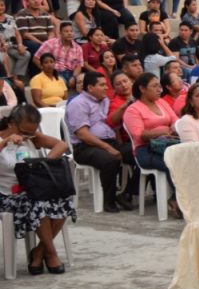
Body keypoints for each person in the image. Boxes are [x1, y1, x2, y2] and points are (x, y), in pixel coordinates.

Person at [0, 105, 75, 274]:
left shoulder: (31, 137)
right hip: (7, 194)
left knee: (64, 199)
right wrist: (6, 142)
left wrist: (44, 162)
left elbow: (62, 145)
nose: (27, 135)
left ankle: (39, 252)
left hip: (33, 188)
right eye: (24, 131)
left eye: (31, 132)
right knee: (39, 203)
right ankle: (51, 254)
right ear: (12, 124)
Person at [66, 71, 133, 212]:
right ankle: (109, 201)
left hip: (108, 141)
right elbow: (83, 135)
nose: (106, 88)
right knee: (110, 160)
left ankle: (127, 193)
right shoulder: (78, 104)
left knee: (137, 152)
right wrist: (108, 148)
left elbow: (111, 124)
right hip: (85, 147)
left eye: (106, 85)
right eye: (102, 85)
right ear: (90, 88)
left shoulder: (105, 100)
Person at [123, 72, 181, 217]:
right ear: (142, 89)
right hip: (145, 149)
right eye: (154, 86)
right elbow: (138, 134)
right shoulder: (133, 109)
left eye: (159, 86)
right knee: (172, 163)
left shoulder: (161, 102)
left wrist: (173, 129)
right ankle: (177, 201)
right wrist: (160, 131)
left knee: (186, 159)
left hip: (168, 144)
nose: (159, 90)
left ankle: (178, 199)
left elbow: (174, 120)